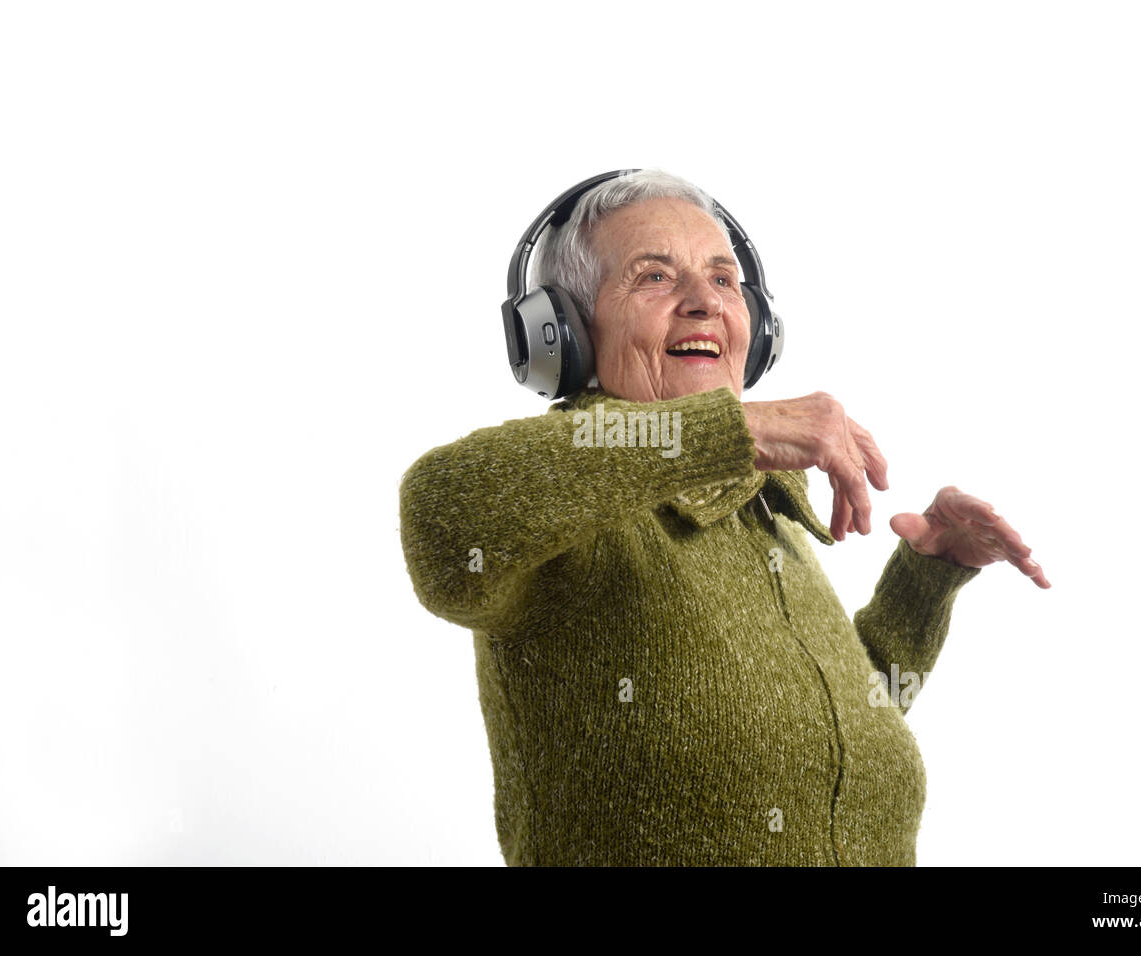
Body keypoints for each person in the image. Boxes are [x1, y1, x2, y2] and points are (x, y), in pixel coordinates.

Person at [399, 168, 1048, 866]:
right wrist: (728, 430)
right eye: (653, 277)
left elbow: (838, 733)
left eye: (724, 280)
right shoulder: (563, 507)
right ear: (564, 333)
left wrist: (926, 582)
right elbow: (443, 511)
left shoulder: (759, 505)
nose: (704, 304)